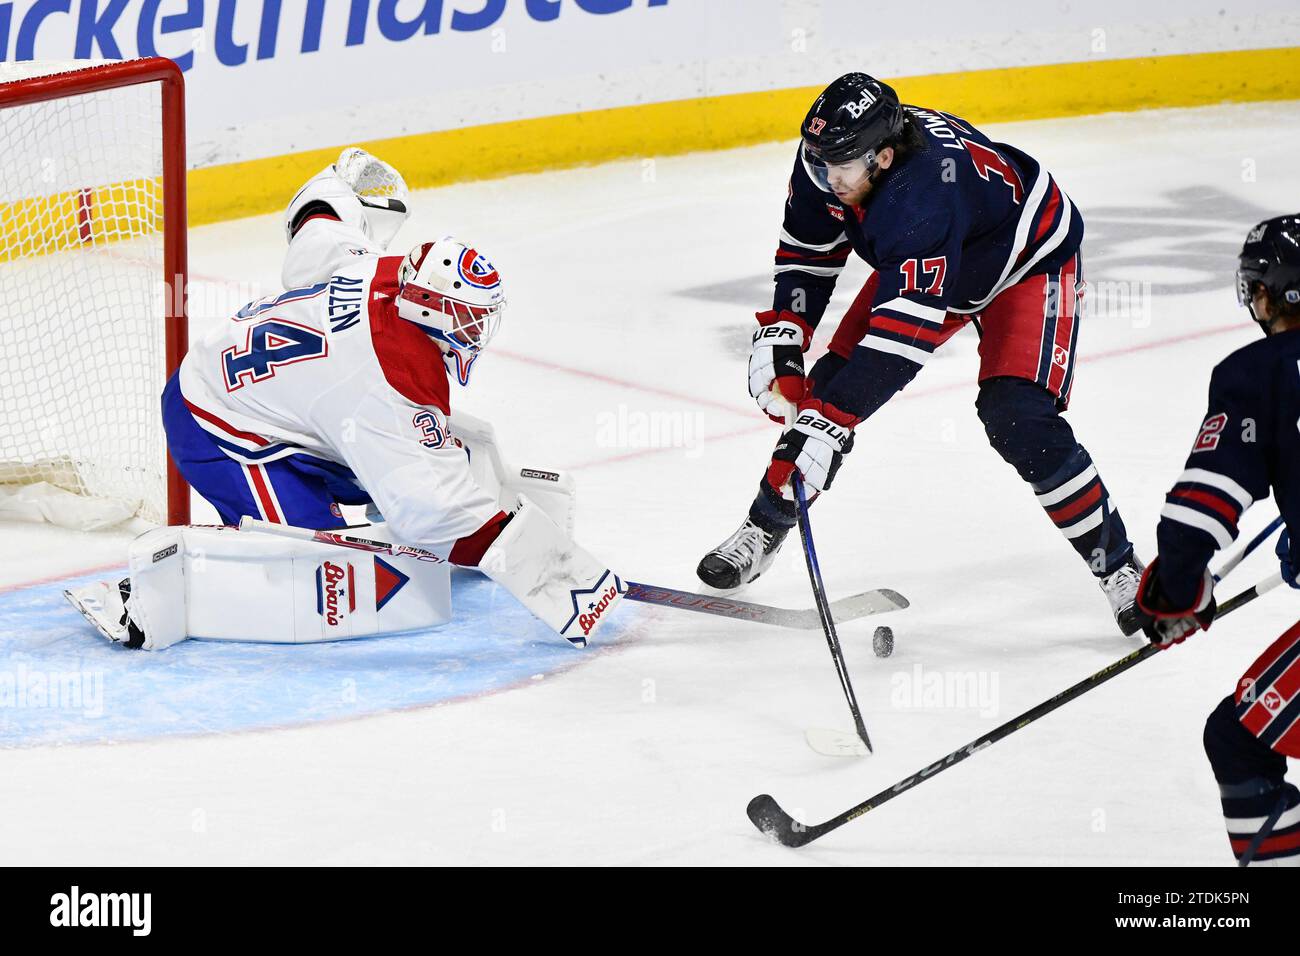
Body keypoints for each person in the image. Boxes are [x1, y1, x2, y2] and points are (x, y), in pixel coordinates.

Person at [65, 149, 623, 651]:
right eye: (469, 318)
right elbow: (430, 507)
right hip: (217, 421)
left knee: (460, 449)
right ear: (430, 308)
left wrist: (346, 182)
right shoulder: (388, 381)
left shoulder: (375, 268)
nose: (476, 331)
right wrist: (544, 569)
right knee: (321, 569)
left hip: (296, 410)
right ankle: (144, 595)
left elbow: (317, 223)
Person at [696, 72, 1149, 635]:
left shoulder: (921, 199)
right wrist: (787, 330)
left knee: (1019, 419)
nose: (826, 179)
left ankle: (1120, 569)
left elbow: (897, 347)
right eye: (818, 163)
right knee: (830, 388)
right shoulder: (831, 155)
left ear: (884, 158)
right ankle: (764, 526)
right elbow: (809, 251)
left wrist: (831, 421)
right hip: (944, 254)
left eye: (841, 169)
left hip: (1028, 260)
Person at [1136, 214, 1300, 866]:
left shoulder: (1258, 373)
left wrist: (1176, 591)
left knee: (1238, 740)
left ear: (1270, 295)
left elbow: (1200, 510)